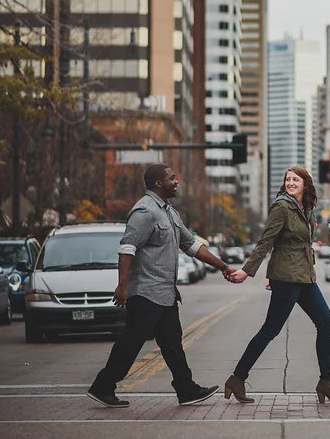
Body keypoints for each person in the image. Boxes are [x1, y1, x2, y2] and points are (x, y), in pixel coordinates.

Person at [87, 164, 233, 409]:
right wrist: (122, 286)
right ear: (157, 183)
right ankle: (103, 385)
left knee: (172, 342)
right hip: (145, 292)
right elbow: (127, 248)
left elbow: (192, 246)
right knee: (131, 342)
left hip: (164, 293)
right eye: (172, 178)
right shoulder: (145, 211)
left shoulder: (170, 213)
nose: (176, 182)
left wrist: (223, 266)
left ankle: (186, 389)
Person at [223, 166, 330, 405]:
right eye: (288, 179)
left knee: (326, 322)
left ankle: (326, 382)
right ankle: (237, 378)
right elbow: (266, 241)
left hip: (303, 276)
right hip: (288, 277)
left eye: (295, 179)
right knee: (271, 329)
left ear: (305, 184)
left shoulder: (306, 208)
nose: (290, 182)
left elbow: (300, 244)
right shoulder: (282, 207)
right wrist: (248, 272)